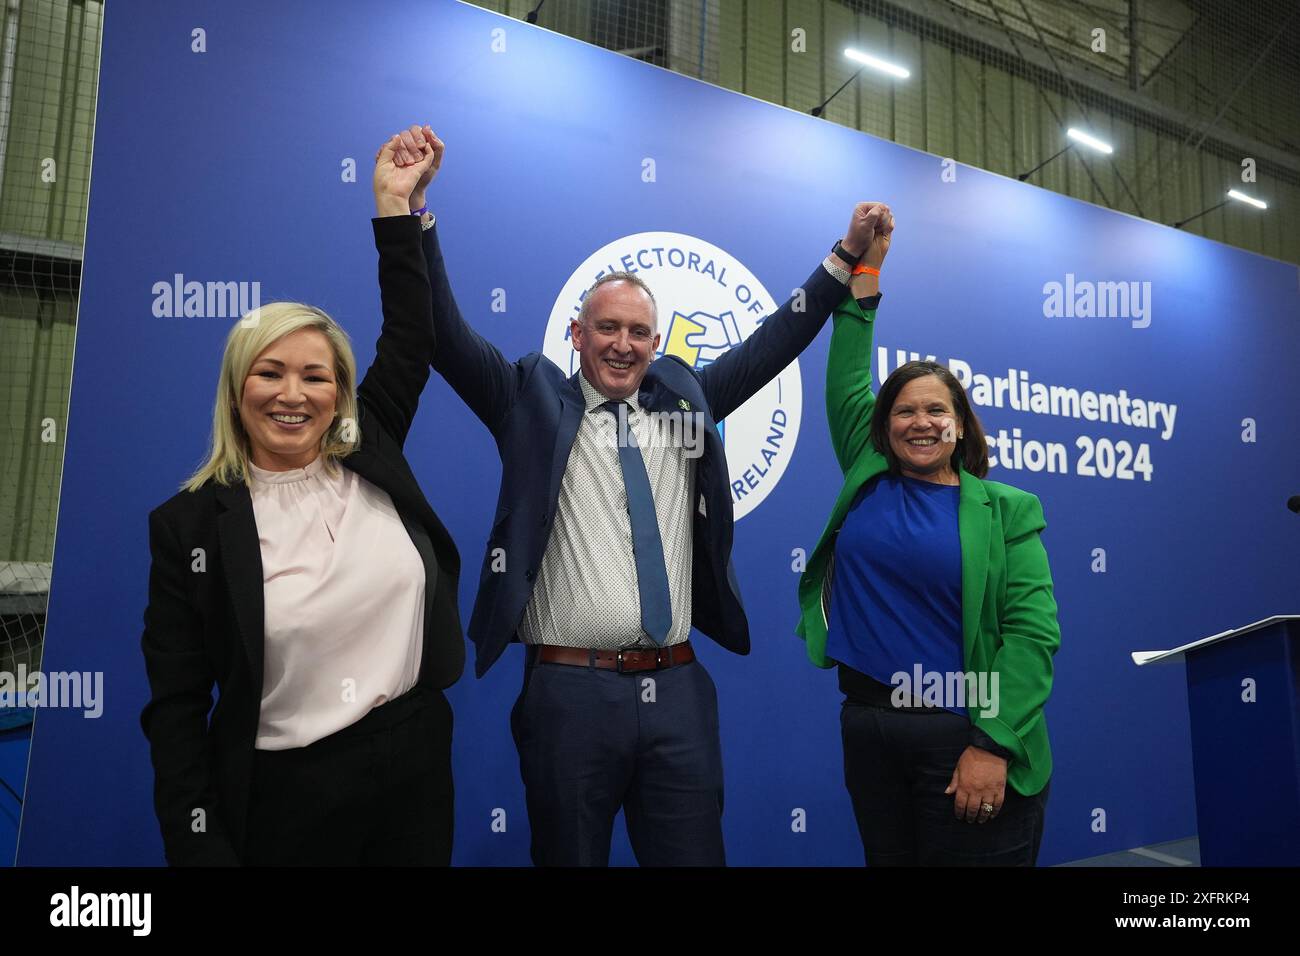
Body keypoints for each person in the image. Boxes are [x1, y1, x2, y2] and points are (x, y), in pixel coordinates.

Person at [390, 123, 884, 865]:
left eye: (640, 332)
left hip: (679, 689)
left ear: (657, 343)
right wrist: (412, 217)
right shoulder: (526, 399)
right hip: (566, 692)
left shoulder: (683, 402)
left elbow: (775, 341)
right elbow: (442, 332)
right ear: (578, 335)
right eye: (608, 328)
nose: (624, 344)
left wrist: (845, 259)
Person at [139, 131, 464, 866]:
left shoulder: (369, 443)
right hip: (288, 795)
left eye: (315, 376)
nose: (293, 395)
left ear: (341, 393)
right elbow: (178, 710)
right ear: (236, 390)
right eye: (270, 373)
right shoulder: (187, 526)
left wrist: (393, 204)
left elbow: (411, 336)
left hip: (414, 764)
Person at [795, 208, 1060, 866]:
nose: (920, 421)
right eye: (905, 410)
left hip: (965, 733)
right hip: (869, 728)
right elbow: (849, 369)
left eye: (936, 409)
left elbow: (1032, 637)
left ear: (961, 425)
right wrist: (867, 269)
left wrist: (991, 743)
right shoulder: (867, 469)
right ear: (883, 427)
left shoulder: (1009, 510)